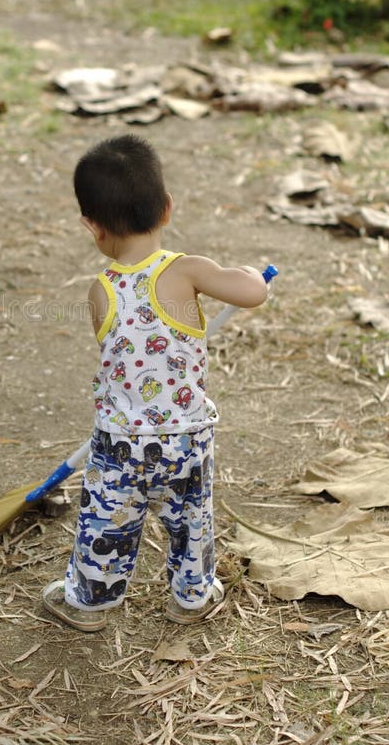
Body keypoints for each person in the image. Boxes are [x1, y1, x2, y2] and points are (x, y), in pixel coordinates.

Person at [42, 134, 268, 632]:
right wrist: (253, 274)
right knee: (191, 520)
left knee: (106, 521)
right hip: (185, 437)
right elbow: (252, 292)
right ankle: (191, 597)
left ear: (91, 227)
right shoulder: (188, 272)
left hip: (121, 441)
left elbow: (122, 353)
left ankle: (89, 603)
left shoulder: (99, 291)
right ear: (167, 208)